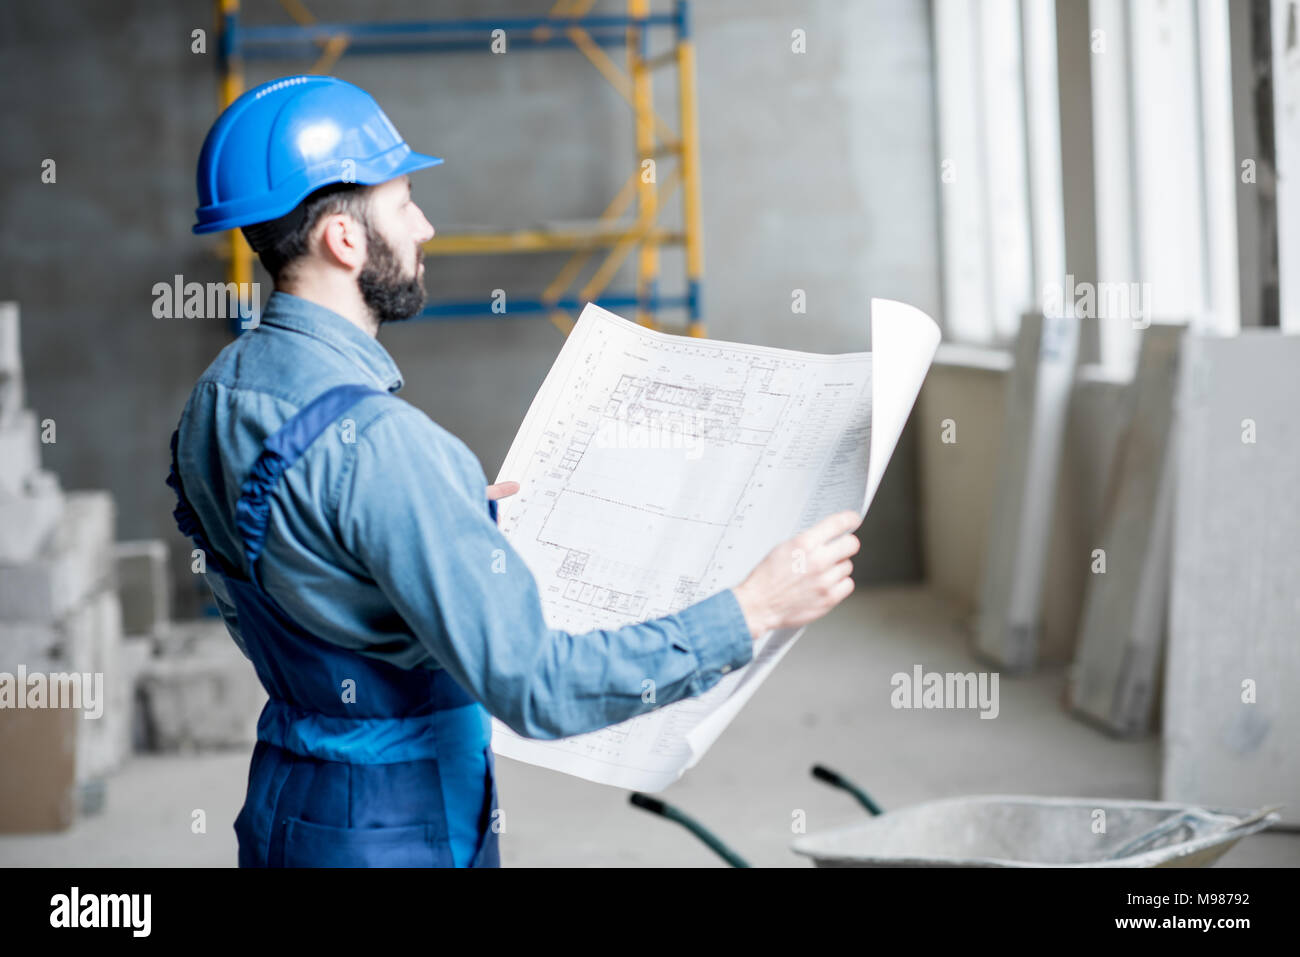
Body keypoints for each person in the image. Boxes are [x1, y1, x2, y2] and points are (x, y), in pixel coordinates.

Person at [168, 74, 861, 867]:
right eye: (404, 203)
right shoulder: (389, 447)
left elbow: (300, 557)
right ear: (344, 239)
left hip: (289, 811)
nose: (425, 226)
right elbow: (539, 688)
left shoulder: (218, 396)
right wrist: (750, 608)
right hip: (396, 828)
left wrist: (431, 520)